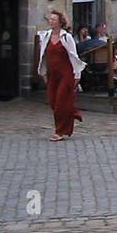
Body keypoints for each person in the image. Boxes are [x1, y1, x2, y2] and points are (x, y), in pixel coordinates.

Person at [36, 10, 85, 140]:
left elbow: (74, 56)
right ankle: (72, 111)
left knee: (60, 103)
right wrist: (43, 73)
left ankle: (59, 131)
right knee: (53, 102)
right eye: (50, 19)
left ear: (60, 22)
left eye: (54, 20)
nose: (51, 22)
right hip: (52, 73)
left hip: (65, 73)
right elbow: (44, 56)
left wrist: (77, 75)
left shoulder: (66, 37)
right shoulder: (46, 36)